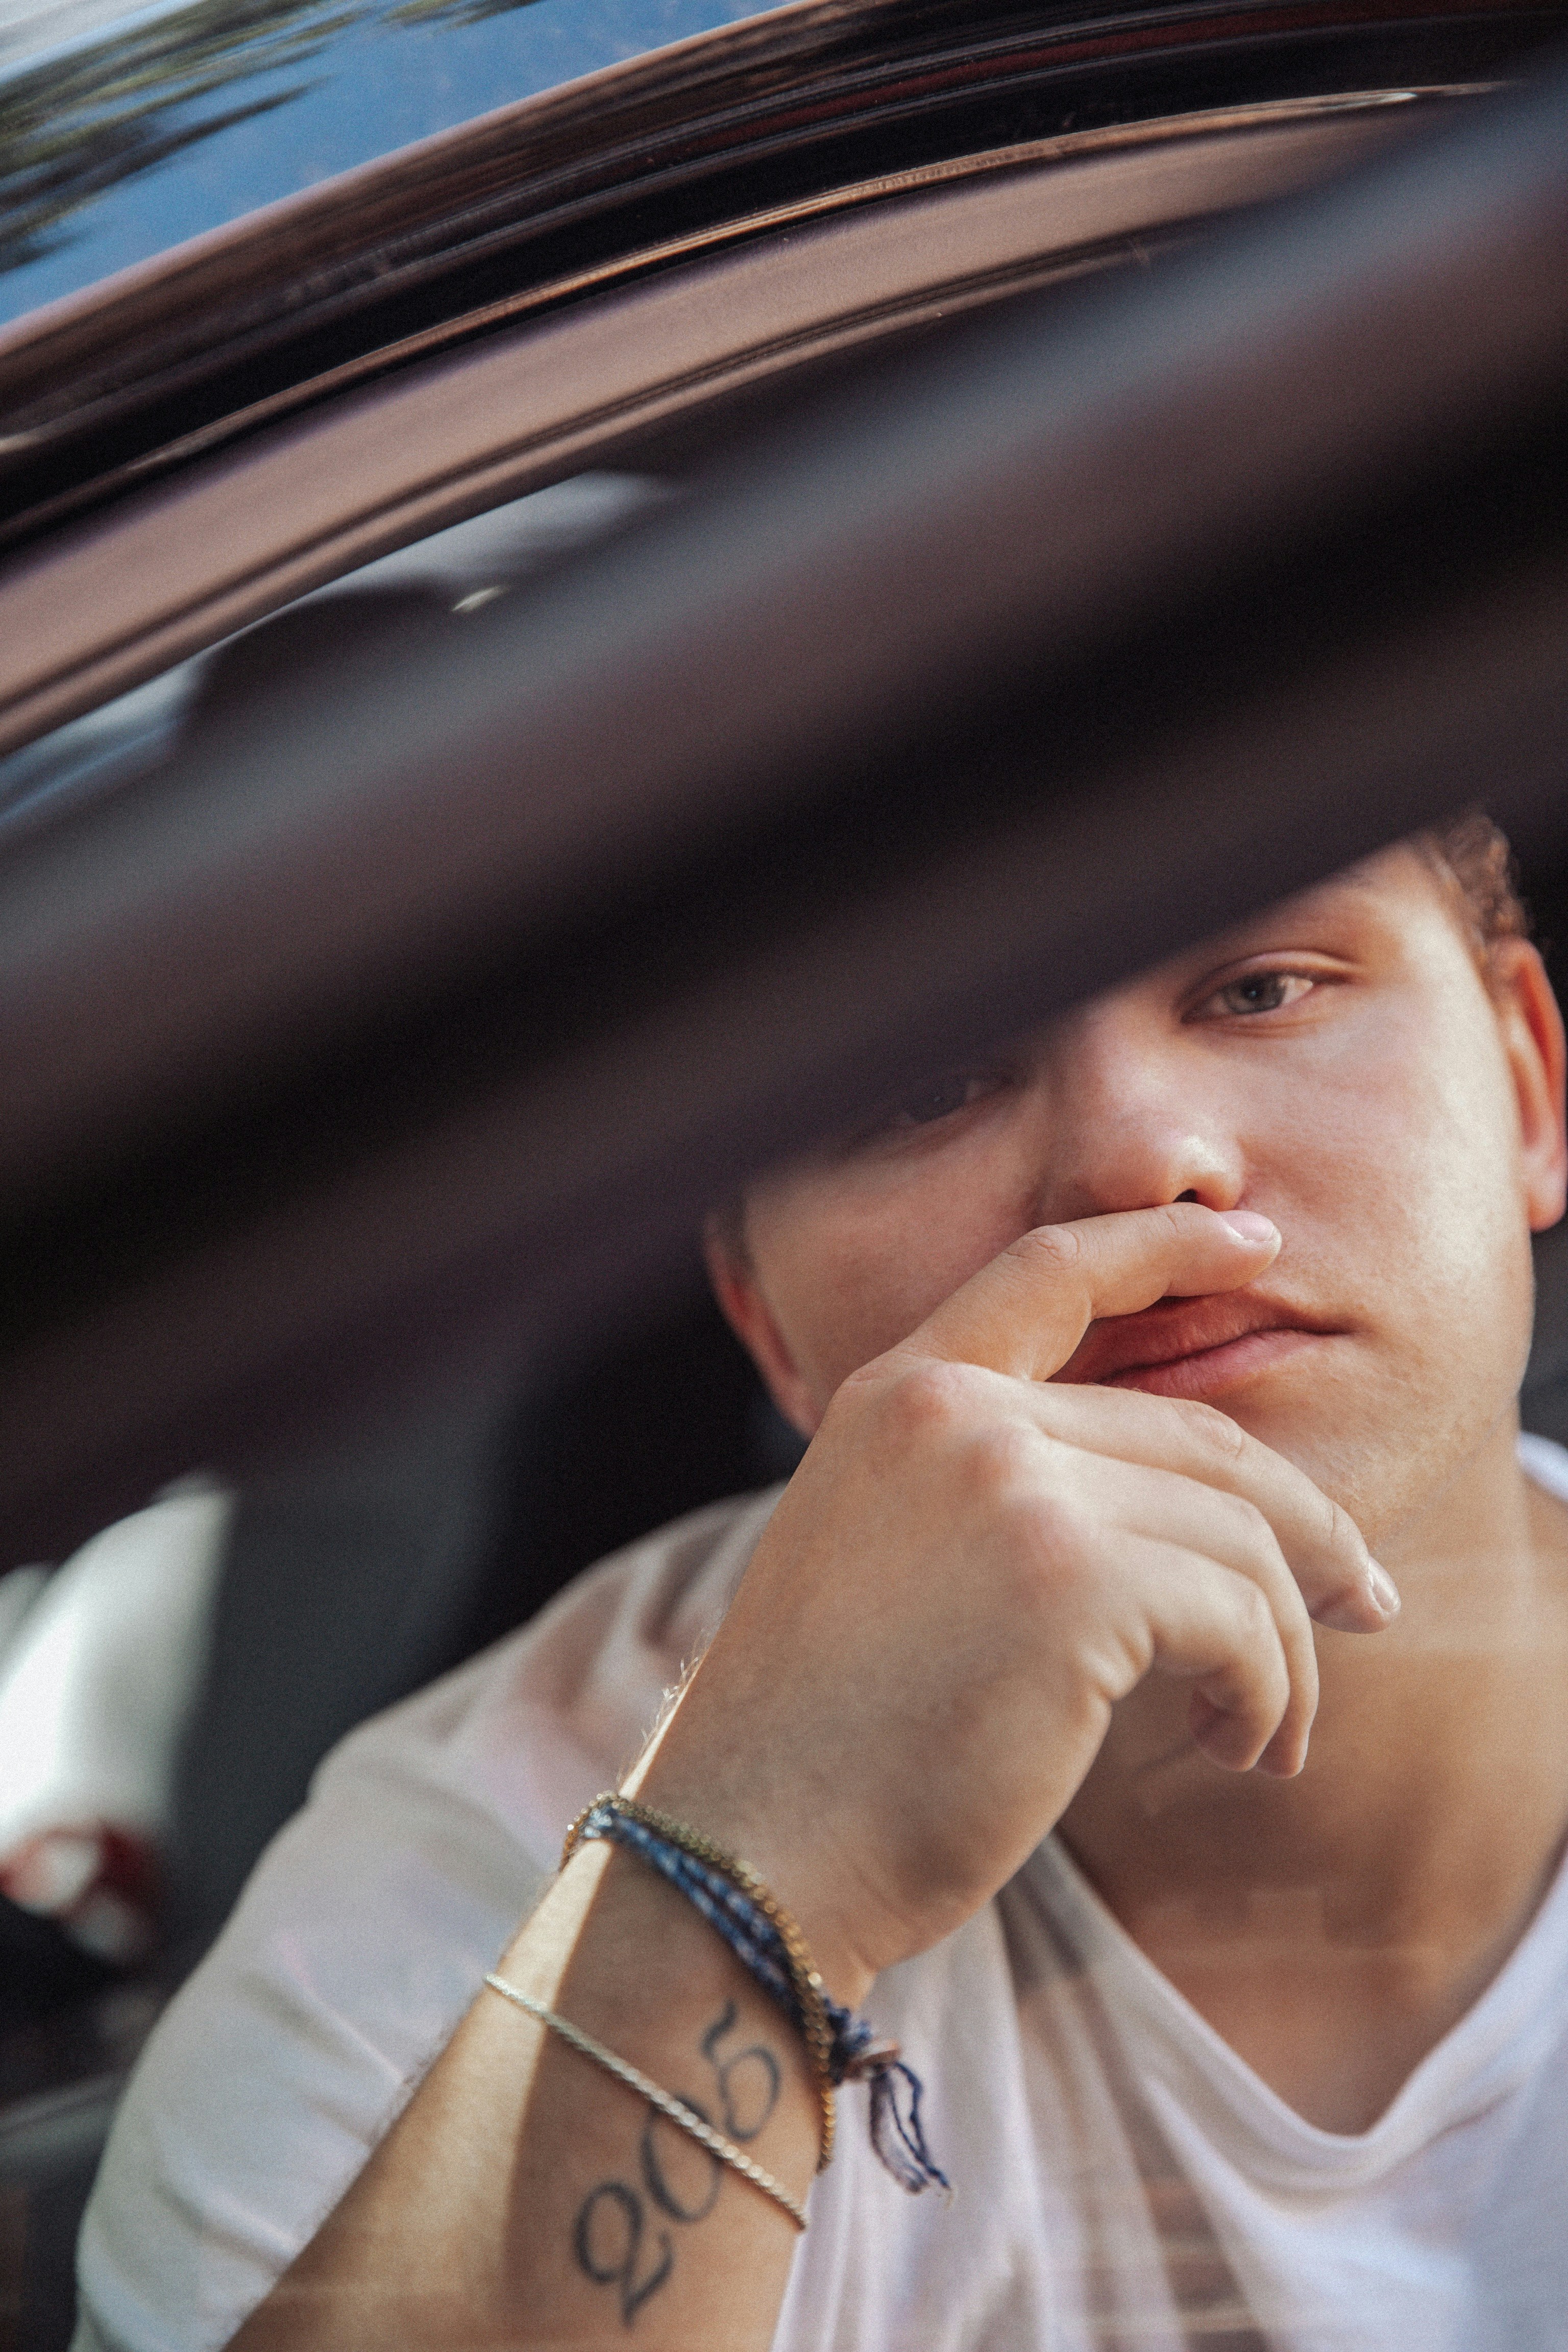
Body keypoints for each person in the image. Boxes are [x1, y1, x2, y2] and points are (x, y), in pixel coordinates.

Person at [75, 817, 1568, 2351]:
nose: (1139, 1161)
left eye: (1263, 989)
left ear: (1527, 1090)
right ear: (761, 1321)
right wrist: (747, 1863)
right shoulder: (432, 1930)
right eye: (921, 1084)